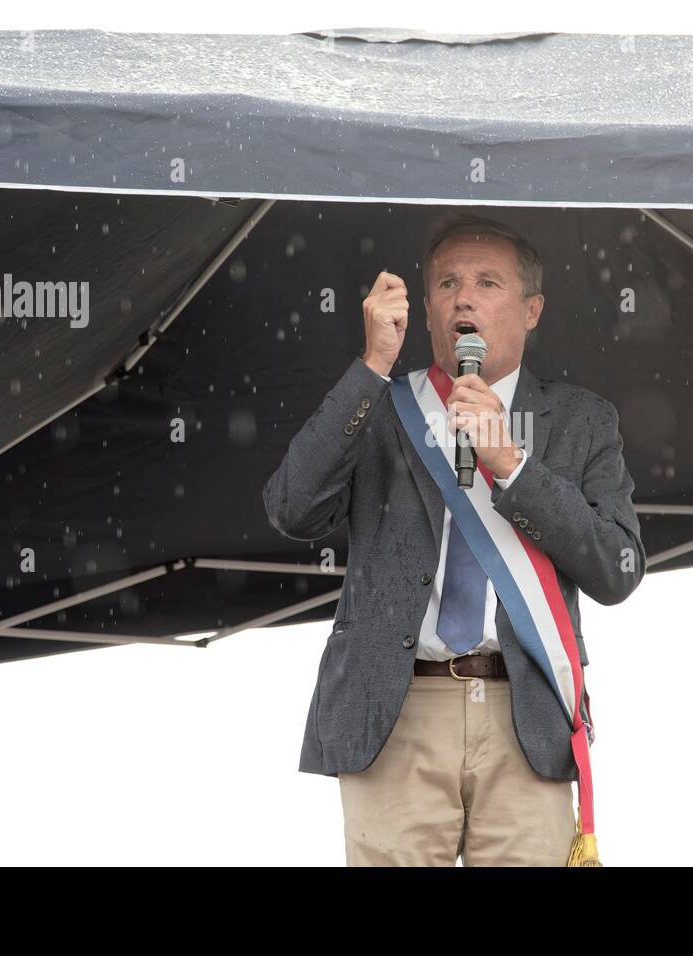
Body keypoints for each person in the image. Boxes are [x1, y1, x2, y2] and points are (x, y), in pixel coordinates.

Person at [263, 212, 646, 866]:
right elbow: (292, 507)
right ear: (430, 308)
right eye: (446, 284)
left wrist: (514, 468)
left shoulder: (583, 421)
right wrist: (373, 364)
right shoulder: (382, 407)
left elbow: (617, 568)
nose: (463, 297)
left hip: (526, 713)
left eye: (487, 282)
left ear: (532, 310)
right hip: (395, 711)